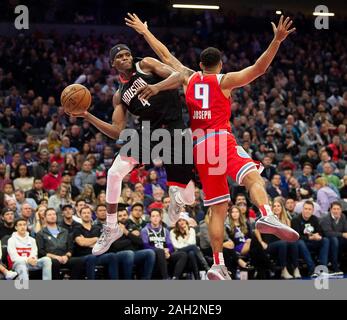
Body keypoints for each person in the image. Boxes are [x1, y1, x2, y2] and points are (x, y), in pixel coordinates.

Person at [126, 13, 299, 280]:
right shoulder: (224, 80)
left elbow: (164, 53)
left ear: (200, 64)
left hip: (199, 149)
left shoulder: (188, 78)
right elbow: (259, 68)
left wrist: (144, 31)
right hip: (220, 140)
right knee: (253, 177)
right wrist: (276, 41)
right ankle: (266, 215)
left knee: (217, 208)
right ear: (220, 65)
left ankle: (217, 264)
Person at [69, 41, 196, 256]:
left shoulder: (145, 64)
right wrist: (87, 116)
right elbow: (117, 131)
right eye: (120, 57)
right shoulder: (119, 95)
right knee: (114, 172)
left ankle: (179, 200)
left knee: (190, 195)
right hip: (148, 132)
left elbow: (180, 75)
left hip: (174, 127)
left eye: (127, 54)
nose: (125, 58)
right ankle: (111, 227)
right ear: (112, 64)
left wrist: (156, 87)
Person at [73, 206, 122, 280]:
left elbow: (103, 244)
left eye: (88, 213)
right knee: (91, 258)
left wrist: (87, 241)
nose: (86, 215)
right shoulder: (77, 228)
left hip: (98, 256)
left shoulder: (98, 228)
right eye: (84, 213)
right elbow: (81, 243)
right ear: (80, 215)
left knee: (112, 256)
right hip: (83, 256)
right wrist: (96, 239)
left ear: (91, 215)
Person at [36, 208, 85, 279]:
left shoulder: (65, 231)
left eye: (54, 214)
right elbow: (41, 251)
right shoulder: (40, 233)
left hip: (64, 257)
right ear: (45, 217)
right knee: (55, 262)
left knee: (79, 261)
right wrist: (56, 257)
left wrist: (66, 256)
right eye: (49, 215)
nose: (52, 216)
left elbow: (70, 248)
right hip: (51, 259)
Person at [141, 209, 188, 279]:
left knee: (183, 254)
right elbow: (146, 246)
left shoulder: (165, 230)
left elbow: (170, 246)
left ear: (160, 218)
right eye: (153, 216)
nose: (155, 218)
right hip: (154, 254)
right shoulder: (145, 230)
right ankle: (166, 278)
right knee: (160, 251)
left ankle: (175, 277)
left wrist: (168, 251)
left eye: (157, 216)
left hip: (165, 254)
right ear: (150, 218)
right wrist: (161, 250)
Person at [291, 201, 330, 277]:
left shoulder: (314, 219)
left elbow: (321, 232)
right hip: (302, 244)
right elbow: (296, 236)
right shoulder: (295, 220)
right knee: (300, 242)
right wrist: (310, 237)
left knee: (325, 240)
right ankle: (312, 268)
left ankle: (322, 268)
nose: (307, 211)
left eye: (309, 209)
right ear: (302, 209)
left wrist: (318, 235)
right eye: (305, 209)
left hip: (312, 242)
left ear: (312, 211)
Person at [115, 208, 156, 279]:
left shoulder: (132, 226)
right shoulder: (113, 229)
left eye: (124, 215)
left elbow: (141, 242)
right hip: (119, 254)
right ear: (116, 218)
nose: (123, 217)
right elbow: (117, 245)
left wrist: (127, 233)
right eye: (120, 216)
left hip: (134, 253)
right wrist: (131, 237)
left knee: (150, 252)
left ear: (128, 216)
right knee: (129, 253)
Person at [170, 212, 210, 279]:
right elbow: (176, 246)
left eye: (183, 220)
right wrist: (187, 239)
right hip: (179, 252)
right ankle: (206, 267)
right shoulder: (172, 232)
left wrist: (187, 233)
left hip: (189, 252)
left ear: (186, 221)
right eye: (179, 220)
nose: (182, 222)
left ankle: (197, 277)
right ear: (177, 223)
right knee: (193, 248)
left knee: (191, 253)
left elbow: (192, 242)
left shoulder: (191, 230)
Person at [320, 202, 347, 275]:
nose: (336, 211)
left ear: (341, 210)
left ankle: (343, 265)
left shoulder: (343, 216)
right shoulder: (326, 218)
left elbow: (345, 230)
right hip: (327, 239)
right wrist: (342, 234)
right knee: (334, 240)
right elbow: (327, 233)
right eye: (334, 209)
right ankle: (334, 266)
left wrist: (344, 234)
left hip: (339, 238)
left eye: (338, 209)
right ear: (331, 210)